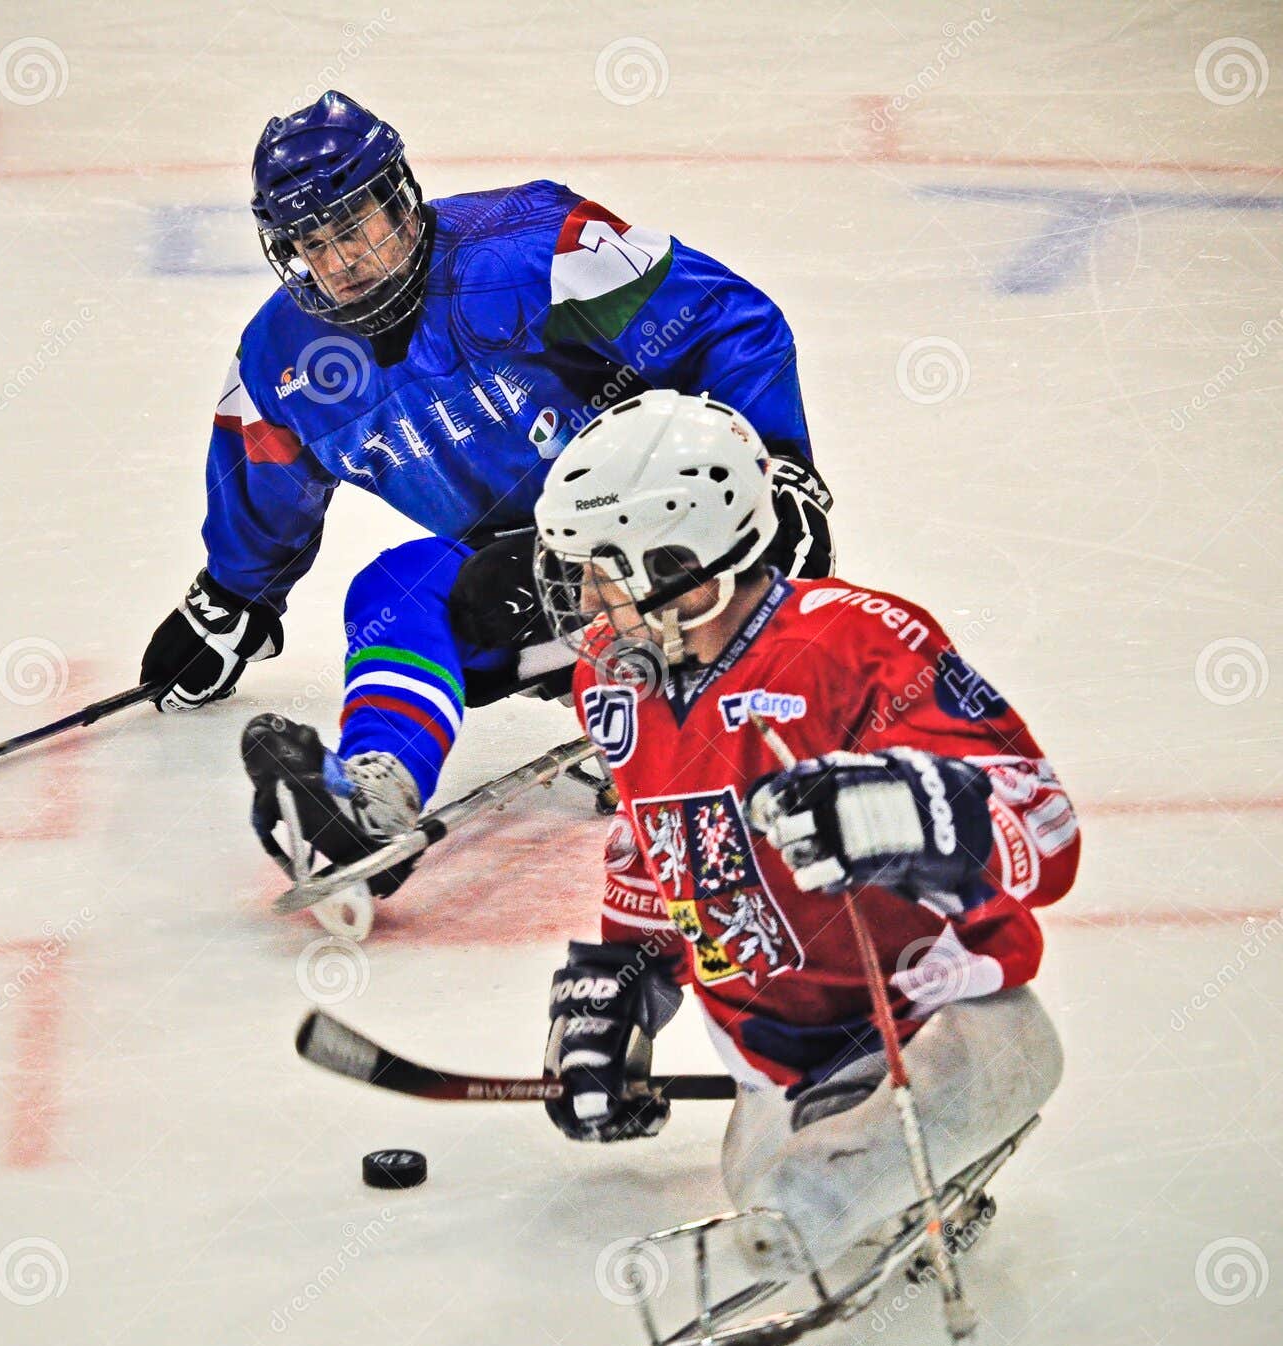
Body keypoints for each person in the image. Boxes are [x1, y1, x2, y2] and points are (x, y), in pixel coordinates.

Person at [134, 90, 834, 893]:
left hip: (668, 544)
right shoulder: (280, 358)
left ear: (399, 200)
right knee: (395, 588)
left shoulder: (537, 254)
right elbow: (263, 471)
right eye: (310, 244)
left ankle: (697, 693)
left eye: (353, 228)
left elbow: (732, 325)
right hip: (540, 582)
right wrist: (232, 599)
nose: (337, 263)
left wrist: (778, 471)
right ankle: (375, 795)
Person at [533, 389, 1080, 1276]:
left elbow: (1046, 833)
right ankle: (848, 1148)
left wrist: (911, 811)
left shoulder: (855, 644)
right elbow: (656, 844)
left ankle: (901, 1153)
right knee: (775, 1194)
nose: (587, 595)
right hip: (774, 1063)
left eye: (605, 568)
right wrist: (621, 987)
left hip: (948, 1026)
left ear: (687, 566)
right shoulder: (612, 674)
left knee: (806, 1209)